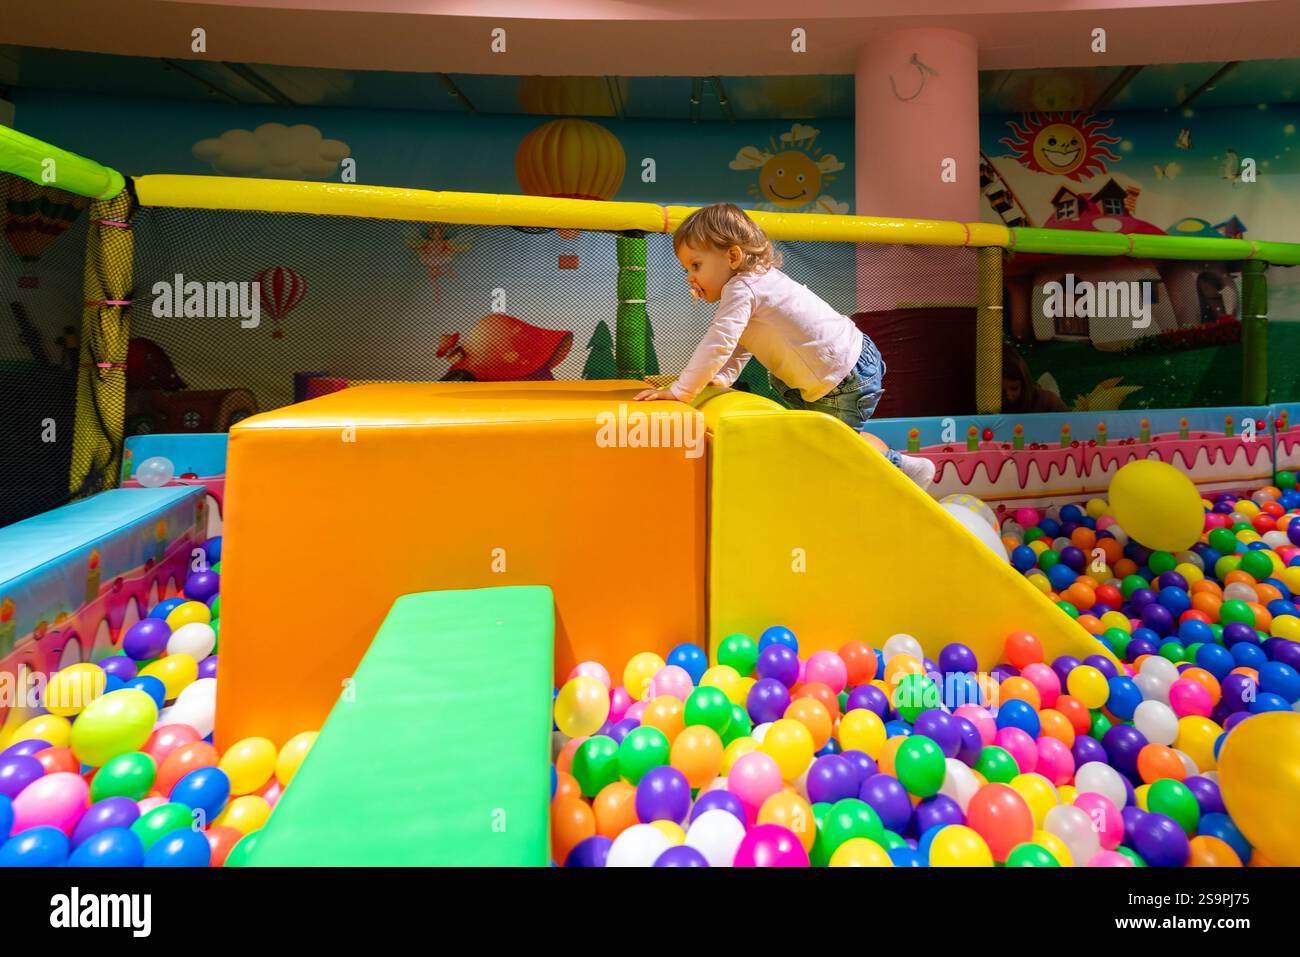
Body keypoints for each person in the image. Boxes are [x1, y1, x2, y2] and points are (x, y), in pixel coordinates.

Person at [632, 203, 936, 488]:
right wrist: (725, 377)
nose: (691, 278)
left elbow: (720, 340)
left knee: (829, 450)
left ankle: (898, 468)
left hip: (843, 375)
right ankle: (897, 465)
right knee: (824, 438)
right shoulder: (755, 283)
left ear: (733, 256)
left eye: (696, 265)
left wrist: (682, 391)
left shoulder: (743, 287)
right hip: (843, 367)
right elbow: (742, 340)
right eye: (686, 269)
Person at [1001, 345, 1067, 413]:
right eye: (1001, 390)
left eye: (1014, 388)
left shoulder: (1048, 403)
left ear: (1024, 385)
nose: (1008, 395)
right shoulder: (991, 408)